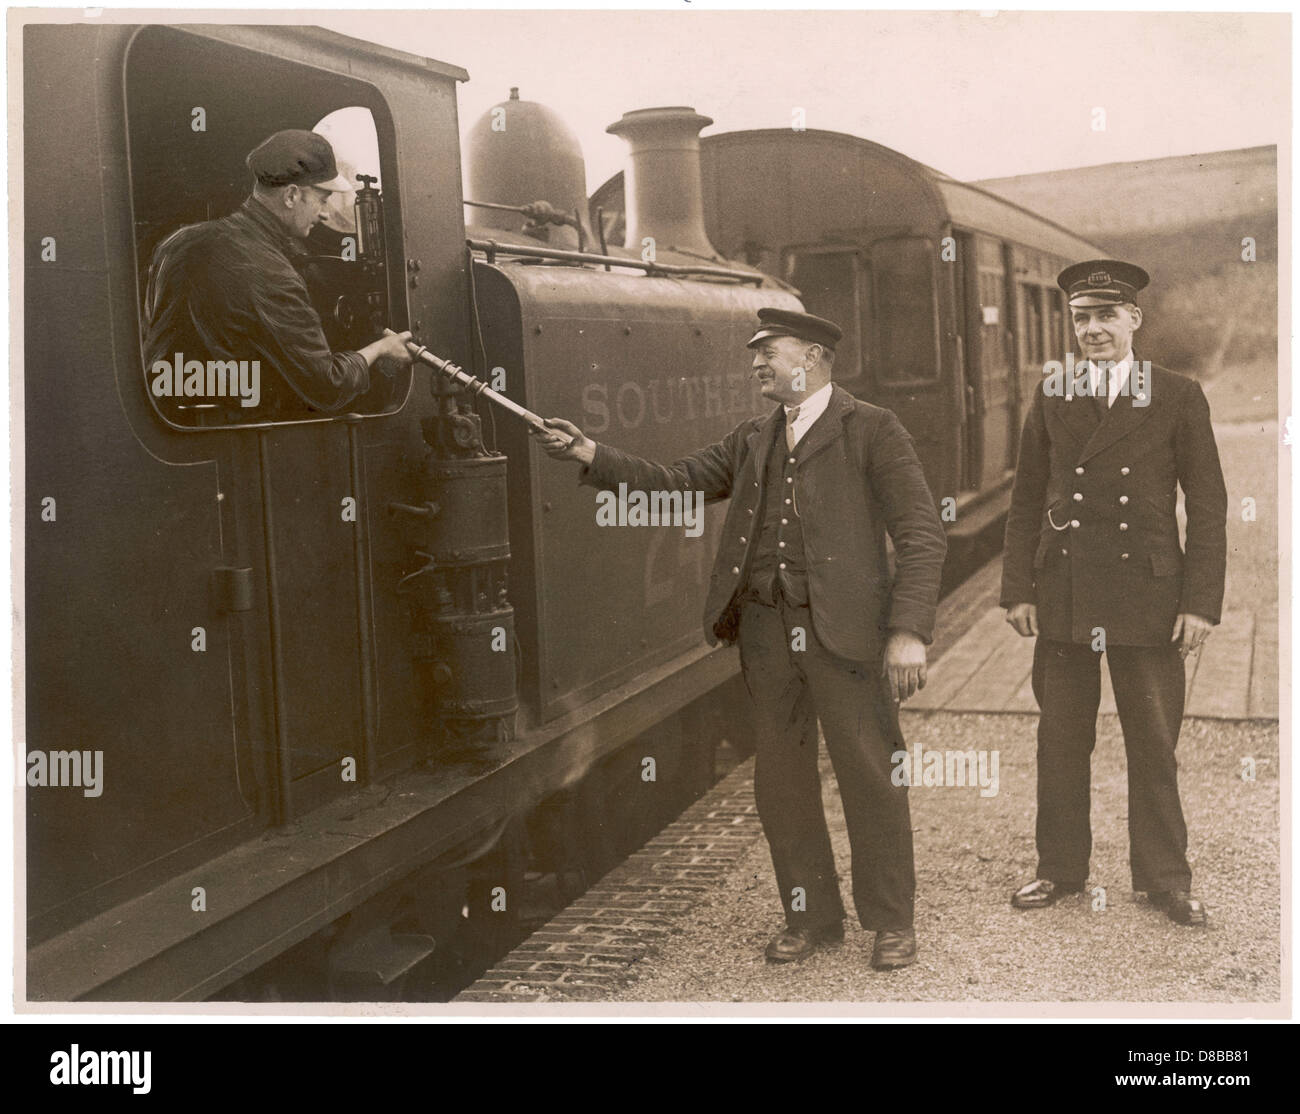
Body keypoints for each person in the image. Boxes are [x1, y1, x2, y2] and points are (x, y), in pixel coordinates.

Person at [532, 308, 947, 969]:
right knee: (780, 784)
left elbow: (922, 534)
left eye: (768, 353)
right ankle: (811, 920)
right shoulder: (755, 436)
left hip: (848, 637)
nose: (756, 363)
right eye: (755, 354)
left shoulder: (872, 430)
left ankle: (892, 923)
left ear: (810, 358)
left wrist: (908, 632)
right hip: (766, 632)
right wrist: (591, 454)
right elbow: (677, 483)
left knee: (869, 775)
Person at [1001, 259, 1227, 926]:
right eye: (1081, 318)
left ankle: (1165, 878)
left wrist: (1200, 603)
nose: (1093, 329)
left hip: (1148, 592)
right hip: (1066, 589)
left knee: (1153, 741)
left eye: (1105, 315)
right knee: (1061, 738)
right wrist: (1019, 589)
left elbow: (1208, 506)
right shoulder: (1054, 392)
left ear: (1134, 319)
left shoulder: (1178, 394)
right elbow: (1024, 501)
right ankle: (1059, 871)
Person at [143, 129, 411, 418]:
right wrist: (380, 350)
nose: (324, 214)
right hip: (235, 435)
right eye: (322, 200)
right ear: (292, 195)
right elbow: (327, 386)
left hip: (168, 419)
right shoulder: (271, 271)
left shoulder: (178, 241)